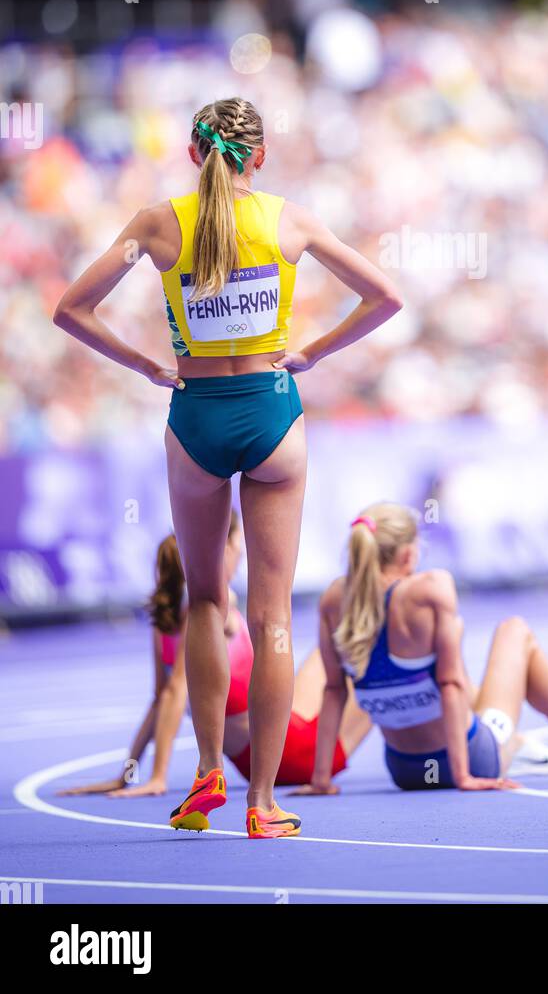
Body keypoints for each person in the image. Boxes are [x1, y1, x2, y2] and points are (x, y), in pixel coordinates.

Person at [53, 97, 402, 837]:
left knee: (208, 602)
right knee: (274, 618)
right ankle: (263, 802)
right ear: (260, 157)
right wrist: (313, 351)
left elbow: (71, 310)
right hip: (273, 414)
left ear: (192, 154)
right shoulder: (291, 221)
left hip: (195, 416)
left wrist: (150, 365)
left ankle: (207, 774)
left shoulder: (155, 225)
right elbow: (386, 296)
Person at [296, 503, 548, 795]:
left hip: (404, 770)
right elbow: (450, 685)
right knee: (514, 632)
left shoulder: (334, 599)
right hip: (466, 758)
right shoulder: (430, 588)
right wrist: (464, 776)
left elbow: (334, 691)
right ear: (408, 553)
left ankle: (518, 742)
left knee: (437, 660)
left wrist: (321, 780)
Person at [59, 515, 371, 806]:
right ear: (224, 547)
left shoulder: (165, 622)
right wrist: (157, 777)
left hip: (263, 761)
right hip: (293, 757)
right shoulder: (219, 611)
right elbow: (173, 692)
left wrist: (127, 773)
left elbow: (160, 700)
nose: (239, 561)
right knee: (370, 655)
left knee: (329, 653)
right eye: (238, 548)